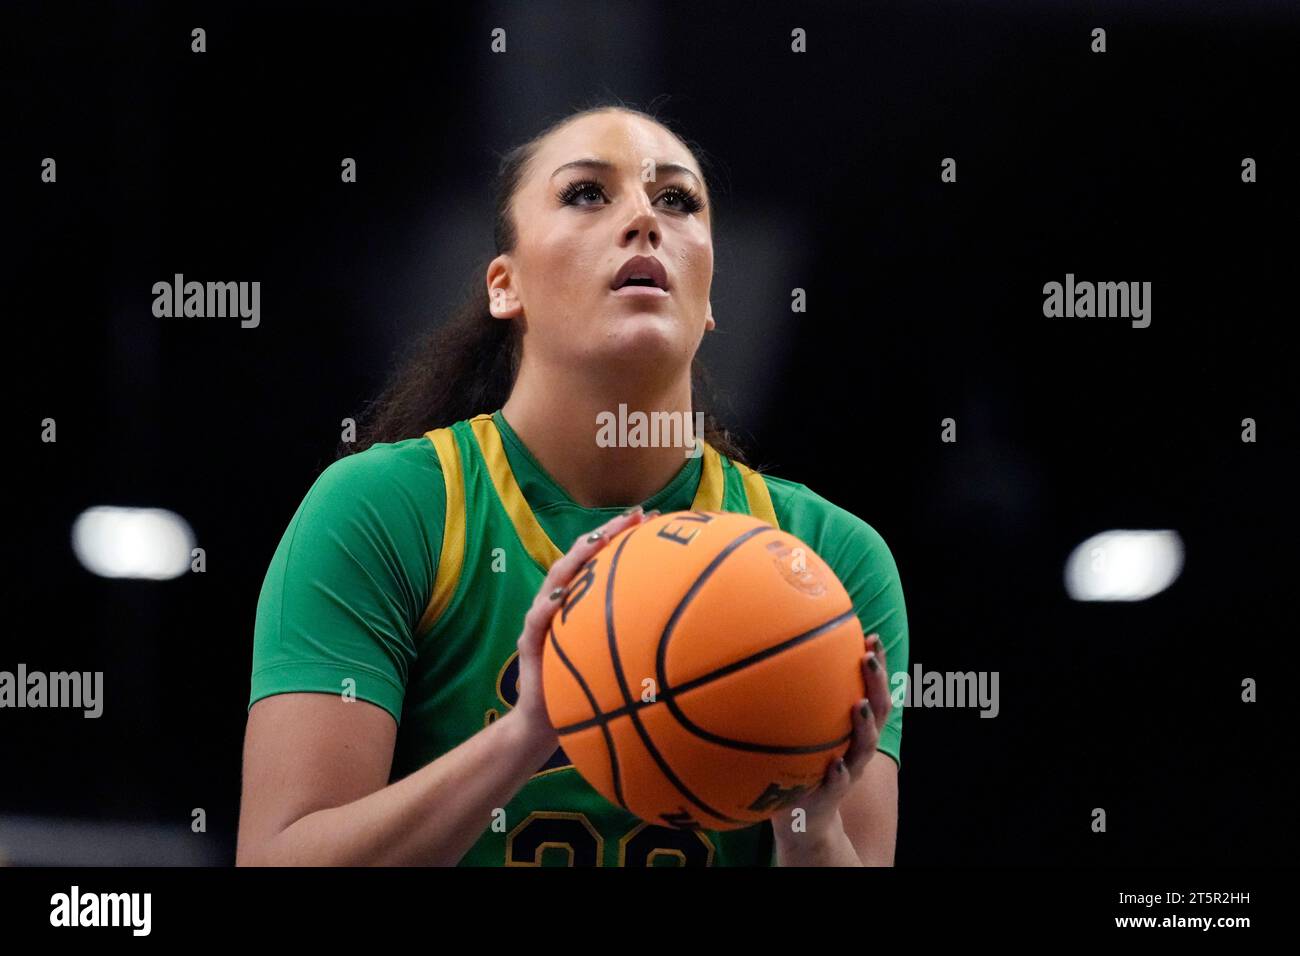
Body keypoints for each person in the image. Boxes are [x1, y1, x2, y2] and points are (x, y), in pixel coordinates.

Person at [236, 104, 909, 866]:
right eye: (588, 193)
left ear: (712, 296)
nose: (643, 220)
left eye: (677, 200)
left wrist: (809, 830)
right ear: (505, 286)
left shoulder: (826, 557)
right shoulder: (384, 510)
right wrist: (529, 732)